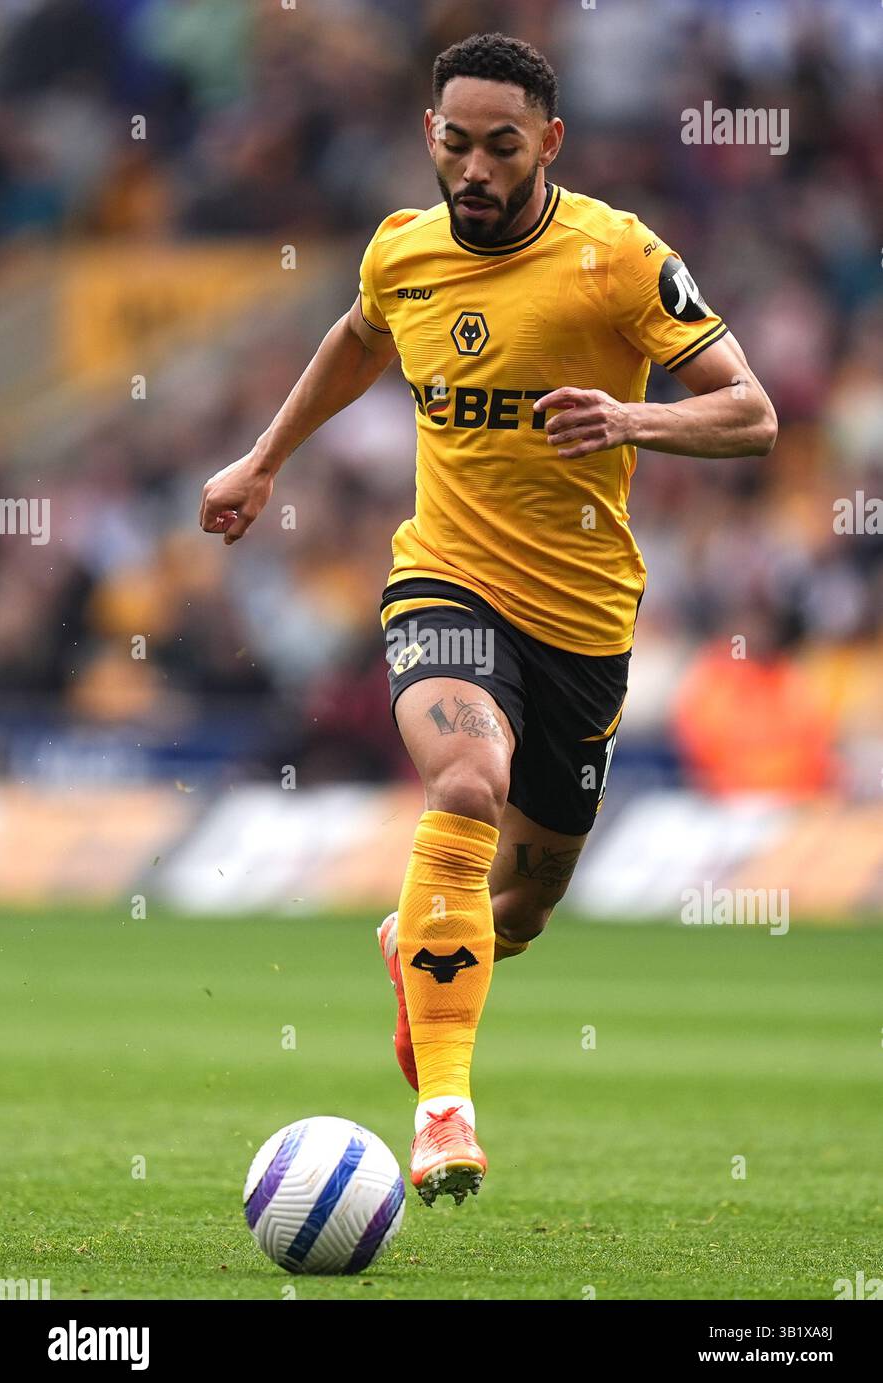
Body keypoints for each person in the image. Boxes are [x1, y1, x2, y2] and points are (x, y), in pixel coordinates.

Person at [200, 31, 777, 1208]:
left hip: (584, 617)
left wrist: (630, 418)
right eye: (454, 143)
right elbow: (358, 337)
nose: (473, 168)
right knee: (465, 780)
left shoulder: (619, 258)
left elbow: (752, 414)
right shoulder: (401, 253)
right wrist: (263, 461)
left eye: (501, 147)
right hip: (446, 583)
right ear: (430, 136)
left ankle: (414, 947)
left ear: (548, 144)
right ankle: (446, 1112)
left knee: (521, 906)